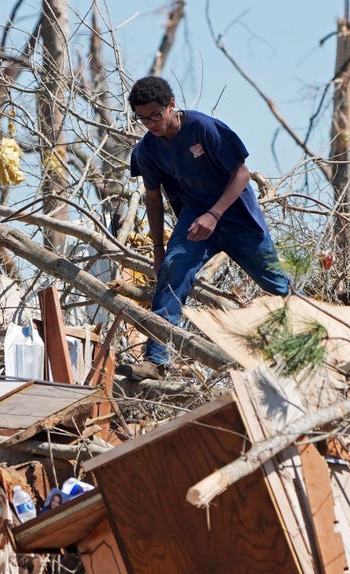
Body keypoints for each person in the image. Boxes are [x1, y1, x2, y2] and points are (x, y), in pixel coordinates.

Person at [119, 76, 291, 381]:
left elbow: (242, 174)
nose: (150, 124)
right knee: (173, 270)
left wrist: (216, 213)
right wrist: (159, 250)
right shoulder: (147, 150)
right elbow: (153, 197)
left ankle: (310, 342)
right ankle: (156, 360)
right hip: (195, 217)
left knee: (277, 287)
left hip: (238, 216)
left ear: (171, 105)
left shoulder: (204, 128)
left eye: (156, 115)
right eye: (142, 118)